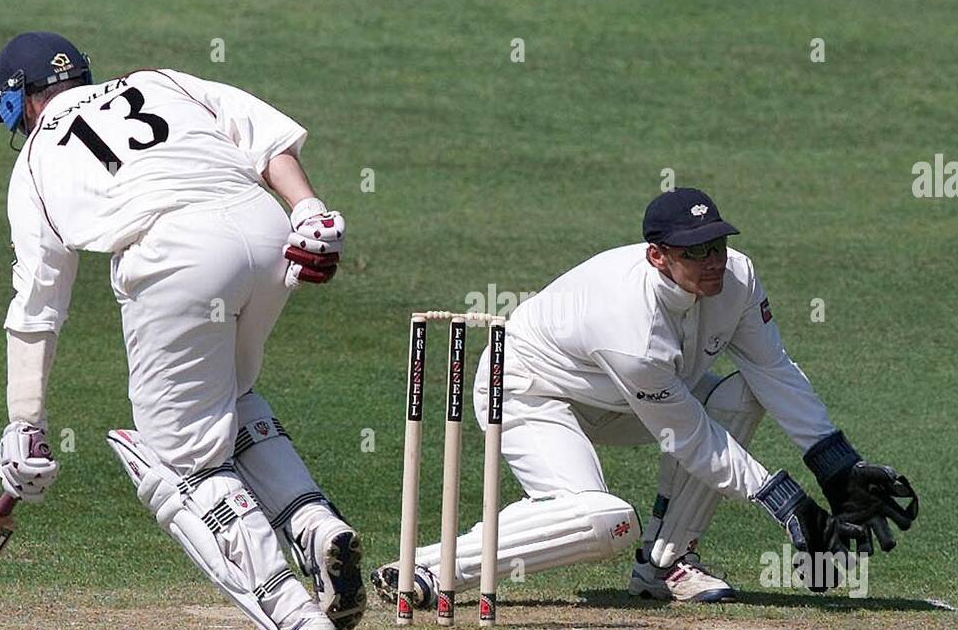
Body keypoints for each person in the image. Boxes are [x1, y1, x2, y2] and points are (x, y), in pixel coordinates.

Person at [0, 31, 364, 630]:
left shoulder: (36, 161)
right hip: (266, 234)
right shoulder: (159, 79)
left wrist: (25, 422)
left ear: (19, 105)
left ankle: (291, 619)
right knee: (231, 397)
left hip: (178, 258)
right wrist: (308, 210)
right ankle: (315, 526)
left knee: (177, 457)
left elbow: (37, 306)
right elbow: (268, 139)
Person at [373, 187, 917, 605]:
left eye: (719, 244)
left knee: (746, 391)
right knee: (604, 519)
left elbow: (773, 370)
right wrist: (787, 505)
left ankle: (665, 563)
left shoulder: (740, 280)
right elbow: (684, 434)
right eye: (694, 251)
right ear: (658, 256)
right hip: (529, 394)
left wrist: (835, 463)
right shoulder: (628, 322)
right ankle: (427, 568)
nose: (713, 260)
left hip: (623, 397)